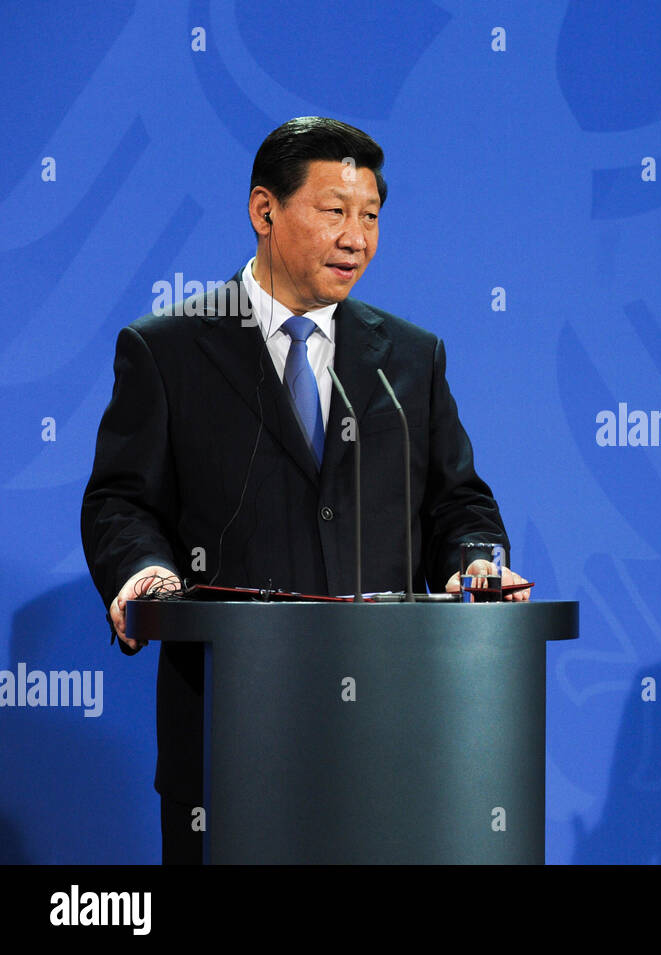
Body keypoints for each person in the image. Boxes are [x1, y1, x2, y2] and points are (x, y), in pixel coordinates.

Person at [81, 116, 528, 864]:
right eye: (335, 212)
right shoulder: (168, 349)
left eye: (371, 216)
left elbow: (459, 504)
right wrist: (146, 574)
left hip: (387, 736)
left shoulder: (408, 358)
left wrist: (474, 562)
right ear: (265, 211)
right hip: (231, 732)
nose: (357, 238)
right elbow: (121, 500)